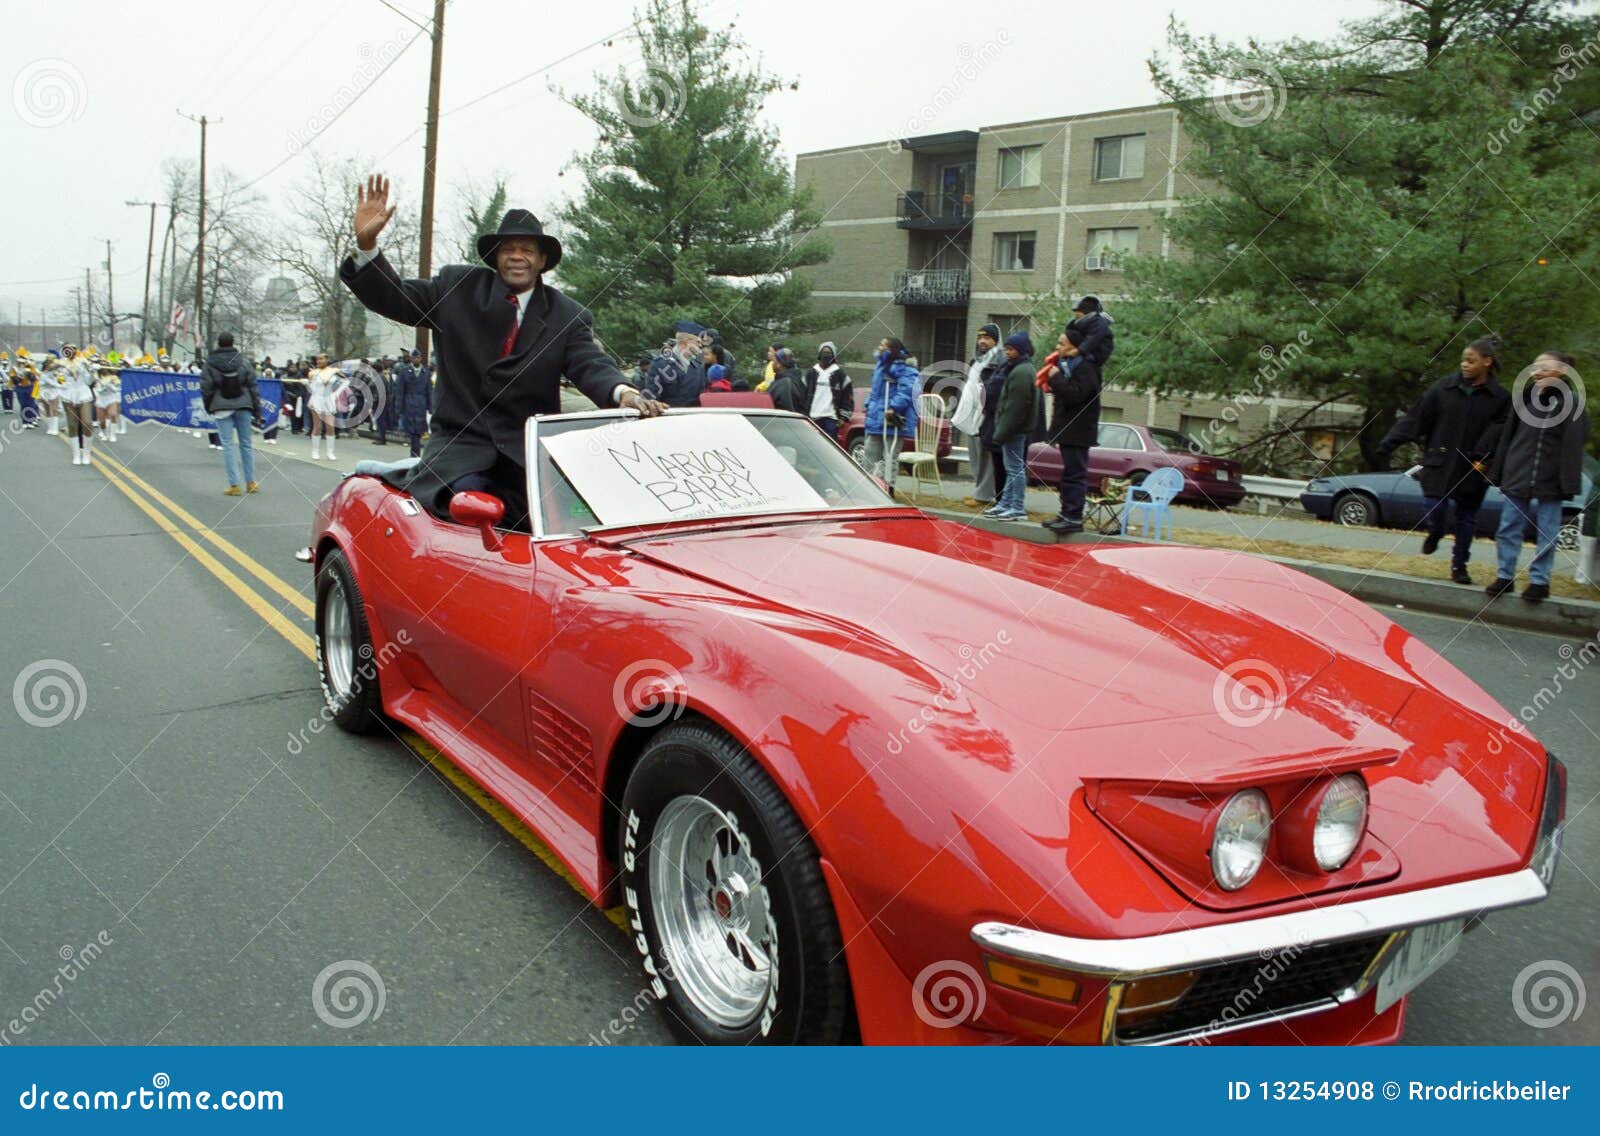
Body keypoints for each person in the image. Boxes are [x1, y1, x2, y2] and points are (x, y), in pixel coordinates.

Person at [340, 176, 662, 528]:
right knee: (472, 512)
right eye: (509, 249)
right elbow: (394, 296)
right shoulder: (456, 287)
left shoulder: (566, 315)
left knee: (568, 523)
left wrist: (625, 394)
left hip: (528, 458)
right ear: (496, 258)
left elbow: (591, 365)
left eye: (527, 250)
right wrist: (367, 243)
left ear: (542, 261)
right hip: (460, 452)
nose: (517, 257)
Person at [1378, 337, 1510, 584]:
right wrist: (1391, 442)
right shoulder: (1443, 388)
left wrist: (1484, 452)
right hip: (1440, 460)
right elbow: (1416, 418)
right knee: (1434, 504)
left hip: (1473, 465)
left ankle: (1459, 565)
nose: (1464, 365)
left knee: (1466, 517)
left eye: (1471, 361)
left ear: (1487, 362)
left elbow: (1501, 429)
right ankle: (1435, 531)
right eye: (1463, 360)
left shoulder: (1500, 398)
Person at [1486, 351, 1589, 604]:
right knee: (1508, 527)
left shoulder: (1572, 403)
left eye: (1545, 366)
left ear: (1562, 372)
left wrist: (1568, 481)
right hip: (1517, 474)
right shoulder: (1524, 400)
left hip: (1550, 480)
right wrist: (1499, 471)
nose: (1538, 371)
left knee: (1547, 531)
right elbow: (1508, 438)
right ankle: (1505, 576)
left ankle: (1539, 581)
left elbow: (1574, 444)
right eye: (1535, 366)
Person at [1037, 326, 1102, 534]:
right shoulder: (1067, 365)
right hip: (1067, 429)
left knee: (1075, 474)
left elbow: (1076, 396)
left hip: (1079, 430)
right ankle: (1066, 513)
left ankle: (1074, 516)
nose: (1057, 347)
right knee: (1067, 474)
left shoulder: (1086, 368)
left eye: (1061, 344)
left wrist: (1056, 378)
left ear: (1074, 347)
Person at [985, 332, 1038, 521]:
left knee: (1015, 468)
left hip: (1014, 431)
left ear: (1021, 350)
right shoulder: (1017, 369)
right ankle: (1005, 504)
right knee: (1011, 468)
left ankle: (1017, 508)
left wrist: (1001, 433)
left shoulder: (1022, 372)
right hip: (1012, 429)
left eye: (1011, 349)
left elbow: (1015, 407)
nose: (1006, 352)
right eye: (1006, 348)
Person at [201, 332, 260, 495]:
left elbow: (206, 386)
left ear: (219, 343)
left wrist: (209, 405)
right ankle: (251, 482)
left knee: (227, 444)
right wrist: (257, 408)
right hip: (244, 402)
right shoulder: (243, 361)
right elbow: (252, 385)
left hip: (221, 404)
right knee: (246, 444)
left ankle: (234, 485)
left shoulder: (211, 362)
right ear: (233, 342)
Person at [863, 337, 921, 494]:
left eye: (883, 345)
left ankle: (888, 487)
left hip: (892, 419)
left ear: (892, 349)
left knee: (890, 456)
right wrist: (868, 404)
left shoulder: (905, 367)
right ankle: (866, 486)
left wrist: (894, 407)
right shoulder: (880, 365)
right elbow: (875, 391)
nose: (880, 347)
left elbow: (908, 390)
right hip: (876, 416)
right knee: (869, 453)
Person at [961, 325, 1004, 507]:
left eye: (987, 337)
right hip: (972, 413)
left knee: (986, 454)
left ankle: (984, 495)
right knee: (975, 453)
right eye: (980, 337)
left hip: (986, 414)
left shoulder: (998, 360)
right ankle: (979, 490)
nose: (982, 341)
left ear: (995, 340)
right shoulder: (976, 360)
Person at [643, 321, 709, 407]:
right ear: (686, 342)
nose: (701, 346)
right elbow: (652, 398)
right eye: (698, 342)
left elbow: (701, 396)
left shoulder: (699, 366)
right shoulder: (660, 364)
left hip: (693, 417)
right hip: (668, 417)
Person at [800, 341, 853, 444]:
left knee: (829, 448)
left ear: (833, 355)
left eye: (829, 353)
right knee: (810, 446)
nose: (826, 355)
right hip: (811, 418)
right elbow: (801, 395)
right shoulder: (811, 374)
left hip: (831, 420)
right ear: (820, 354)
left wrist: (843, 418)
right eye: (824, 352)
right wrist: (802, 414)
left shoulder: (841, 375)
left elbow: (848, 398)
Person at [394, 348, 432, 458]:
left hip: (421, 404)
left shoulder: (426, 372)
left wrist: (431, 407)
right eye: (414, 357)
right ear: (411, 359)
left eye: (418, 357)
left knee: (419, 430)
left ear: (420, 359)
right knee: (412, 431)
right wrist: (398, 408)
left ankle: (415, 454)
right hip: (408, 404)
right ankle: (414, 455)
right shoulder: (404, 371)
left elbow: (429, 391)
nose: (416, 359)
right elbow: (400, 391)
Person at [306, 353, 342, 460]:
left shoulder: (334, 371)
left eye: (321, 359)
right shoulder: (312, 373)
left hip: (328, 400)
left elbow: (345, 382)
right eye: (317, 360)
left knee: (330, 427)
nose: (319, 361)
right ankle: (315, 451)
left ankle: (330, 452)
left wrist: (336, 394)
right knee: (317, 426)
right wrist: (306, 384)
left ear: (327, 360)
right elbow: (311, 389)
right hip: (317, 399)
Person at [1066, 296, 1115, 367]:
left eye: (1077, 312)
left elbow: (1093, 338)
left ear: (1085, 312)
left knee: (1072, 334)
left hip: (1098, 353)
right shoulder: (1082, 322)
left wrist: (1079, 351)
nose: (1075, 314)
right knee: (1070, 333)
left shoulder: (1098, 322)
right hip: (1090, 351)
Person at [766, 348, 806, 412]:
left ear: (779, 364)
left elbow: (788, 409)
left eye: (774, 361)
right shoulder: (798, 380)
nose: (772, 364)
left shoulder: (785, 383)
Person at [94, 361, 122, 442]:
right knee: (102, 421)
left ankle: (112, 435)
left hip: (111, 398)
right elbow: (98, 390)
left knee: (112, 414)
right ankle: (105, 433)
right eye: (102, 366)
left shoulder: (113, 377)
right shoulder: (97, 377)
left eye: (105, 366)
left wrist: (110, 385)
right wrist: (103, 386)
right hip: (101, 399)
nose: (104, 369)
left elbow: (118, 388)